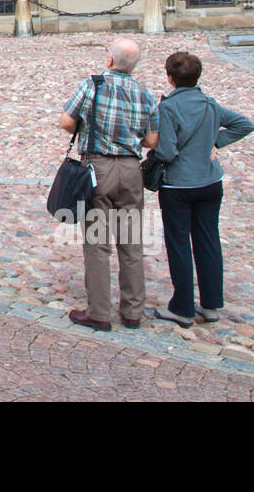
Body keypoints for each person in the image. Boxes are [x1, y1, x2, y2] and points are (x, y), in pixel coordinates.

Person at [57, 37, 159, 332]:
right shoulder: (144, 93)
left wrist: (88, 127)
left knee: (98, 243)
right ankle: (132, 312)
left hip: (98, 168)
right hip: (130, 170)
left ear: (110, 60)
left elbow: (65, 121)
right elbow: (152, 140)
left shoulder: (93, 84)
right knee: (131, 244)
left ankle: (100, 312)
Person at [150, 51, 254, 327]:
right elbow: (244, 124)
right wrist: (216, 142)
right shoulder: (210, 104)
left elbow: (167, 151)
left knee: (179, 244)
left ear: (169, 78)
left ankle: (182, 307)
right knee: (208, 242)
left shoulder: (168, 108)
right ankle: (210, 305)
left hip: (179, 185)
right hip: (210, 182)